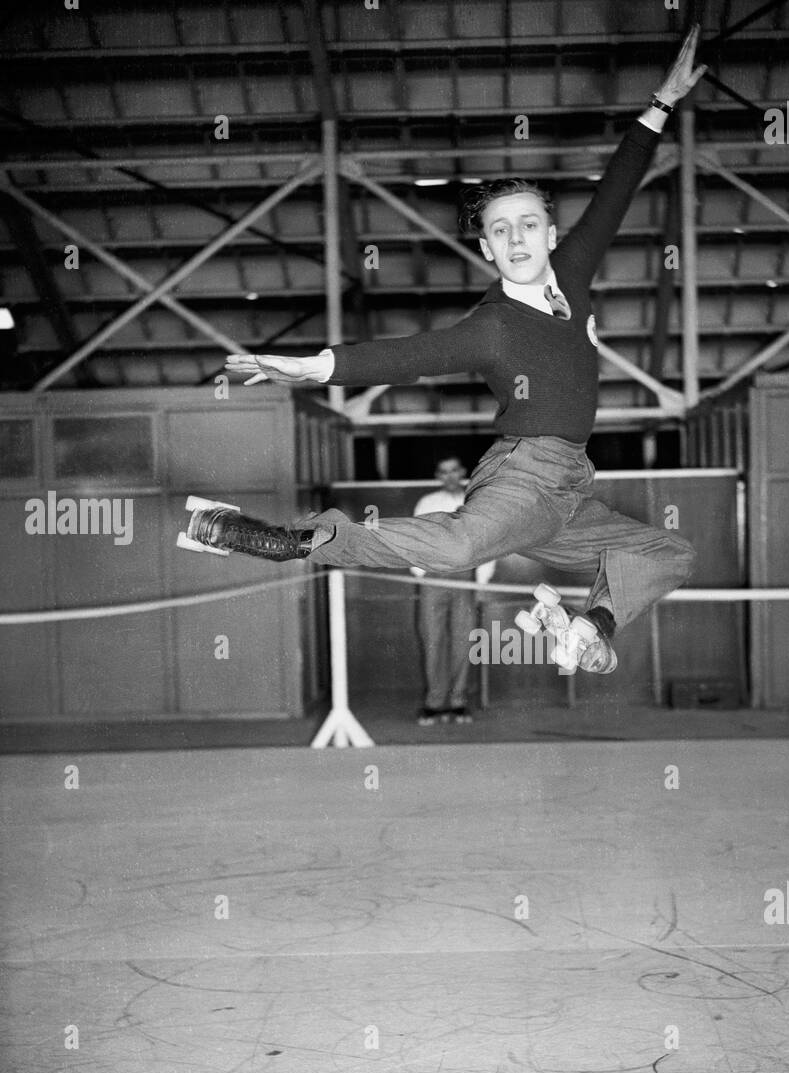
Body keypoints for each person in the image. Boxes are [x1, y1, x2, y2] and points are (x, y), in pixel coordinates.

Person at [187, 26, 706, 677]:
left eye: (527, 225)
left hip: (571, 489)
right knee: (458, 545)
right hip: (526, 475)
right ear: (486, 248)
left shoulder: (572, 269)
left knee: (669, 552)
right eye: (499, 231)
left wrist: (661, 101)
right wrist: (316, 367)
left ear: (549, 232)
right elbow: (408, 356)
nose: (515, 239)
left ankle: (590, 623)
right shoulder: (493, 326)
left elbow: (616, 192)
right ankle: (290, 540)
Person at [411, 456, 494, 725]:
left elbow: (487, 543)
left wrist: (480, 582)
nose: (449, 476)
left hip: (465, 577)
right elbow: (414, 538)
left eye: (454, 470)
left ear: (462, 472)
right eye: (443, 472)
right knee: (432, 639)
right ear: (438, 475)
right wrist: (421, 573)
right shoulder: (427, 503)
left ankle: (458, 702)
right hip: (433, 576)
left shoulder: (476, 502)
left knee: (463, 639)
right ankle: (434, 703)